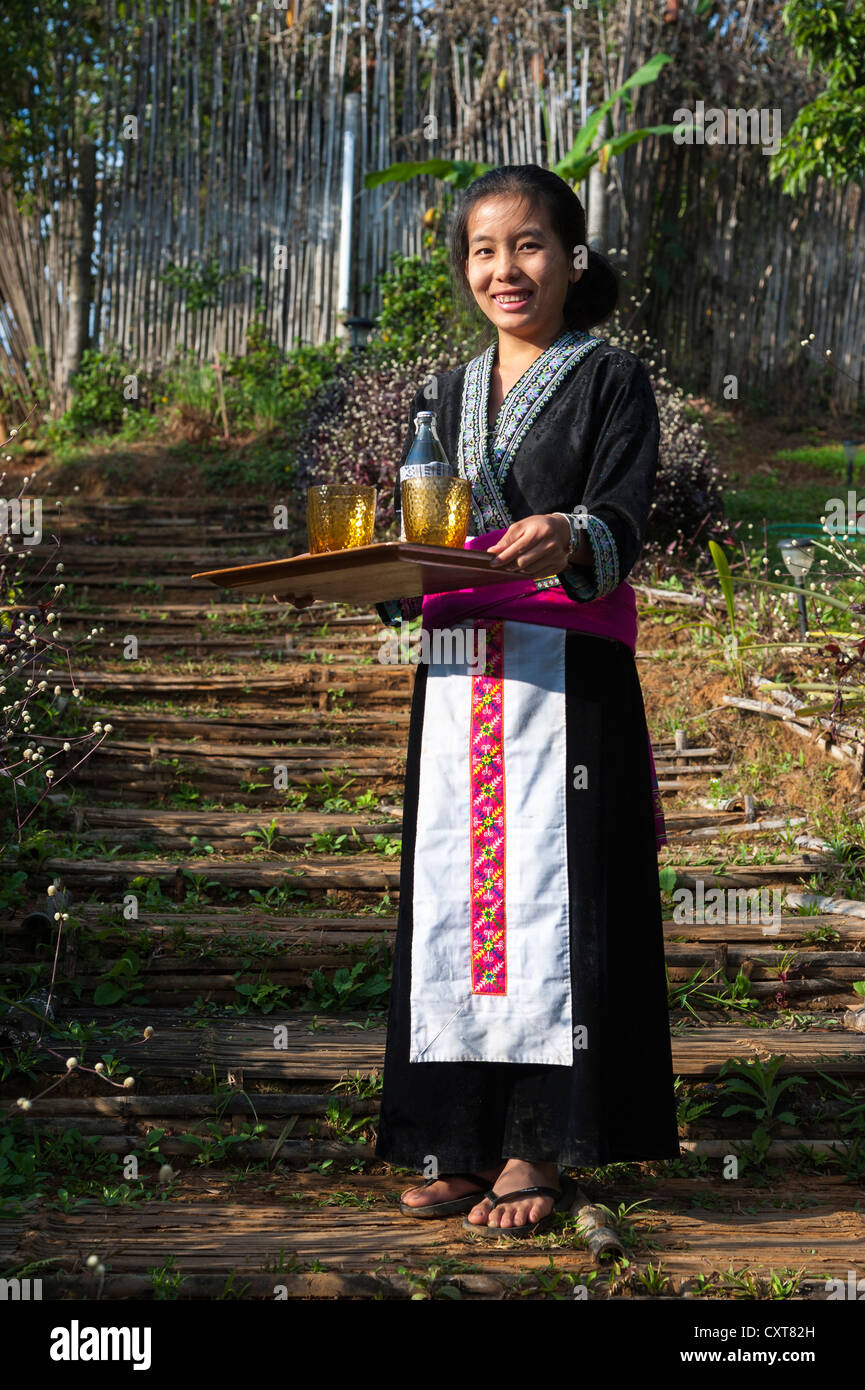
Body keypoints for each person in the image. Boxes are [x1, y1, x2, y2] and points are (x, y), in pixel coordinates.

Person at [292, 164, 679, 1237]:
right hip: (461, 672)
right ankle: (449, 1139)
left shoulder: (612, 381)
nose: (503, 269)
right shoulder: (446, 397)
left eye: (528, 246)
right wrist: (380, 576)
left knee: (564, 908)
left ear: (571, 257)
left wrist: (571, 533)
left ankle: (538, 1147)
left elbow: (625, 521)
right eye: (482, 251)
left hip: (570, 681)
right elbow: (427, 544)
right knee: (459, 911)